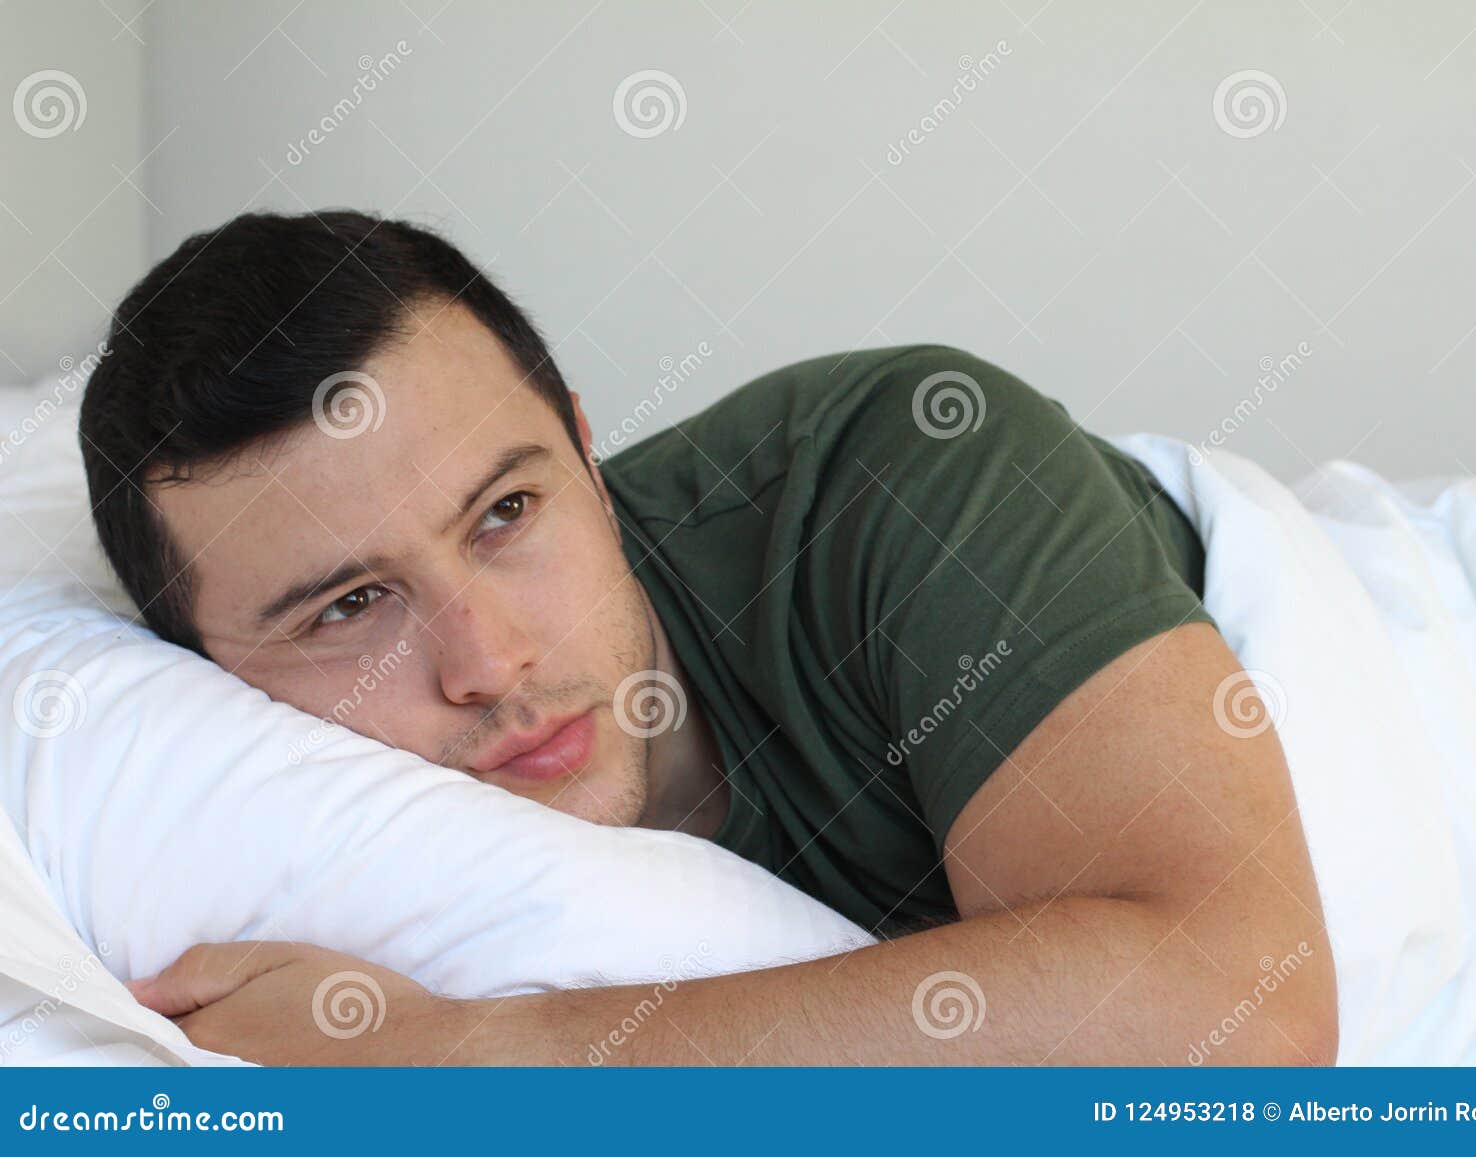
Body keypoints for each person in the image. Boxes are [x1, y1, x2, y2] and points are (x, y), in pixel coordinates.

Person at [79, 211, 1337, 1065]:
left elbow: (1247, 1008)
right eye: (349, 607)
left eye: (508, 512)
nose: (488, 661)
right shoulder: (230, 825)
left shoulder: (902, 471)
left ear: (586, 448)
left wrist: (482, 1057)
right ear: (202, 665)